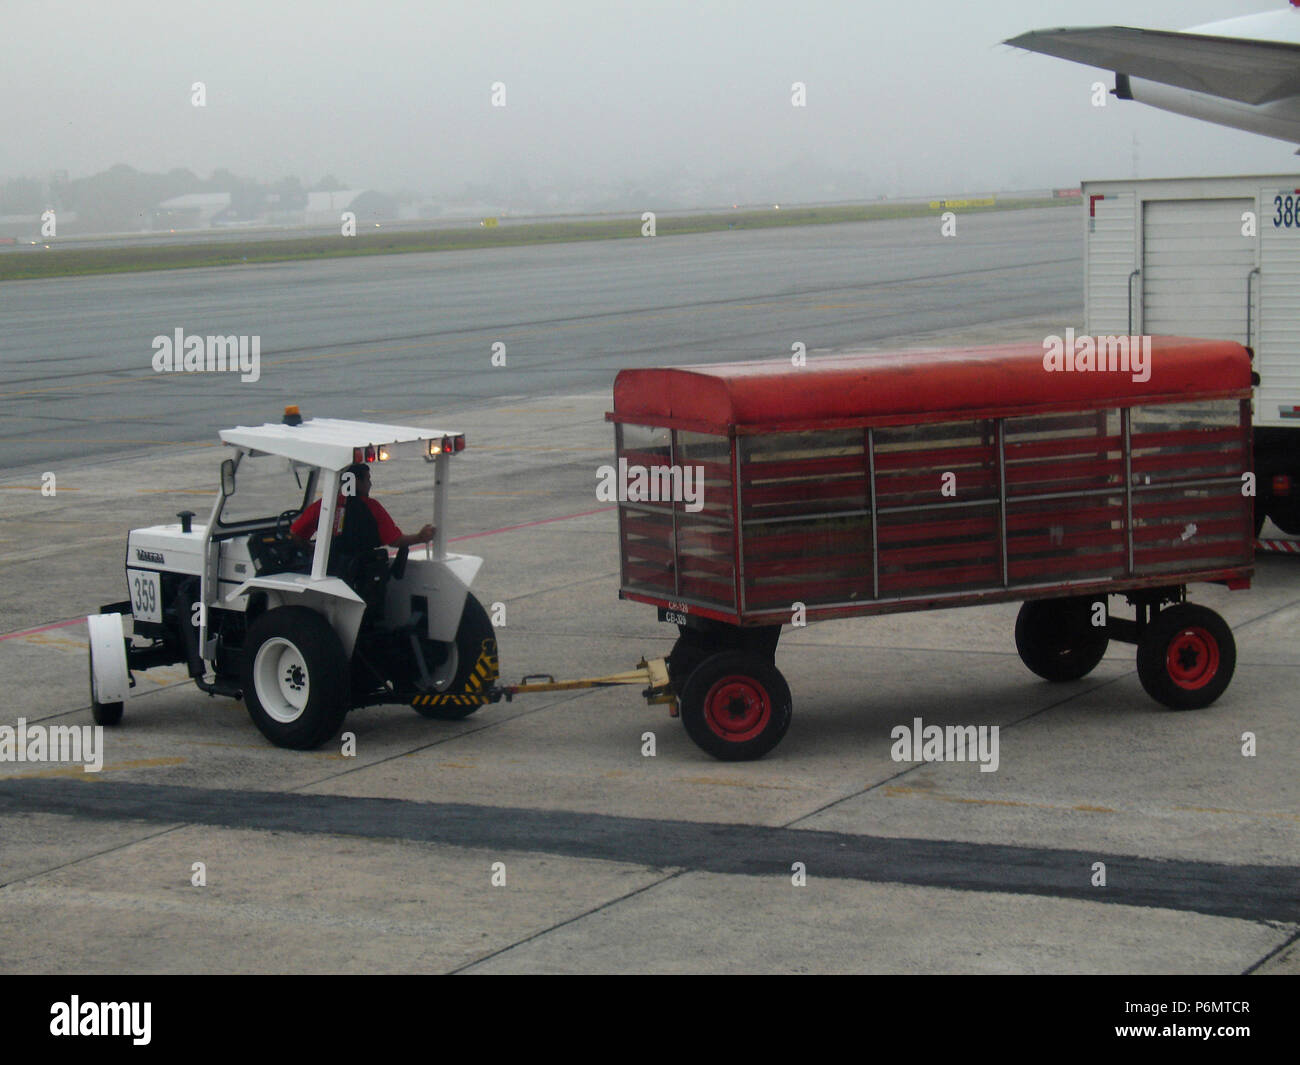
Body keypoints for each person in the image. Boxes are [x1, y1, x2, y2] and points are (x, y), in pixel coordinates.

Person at [290, 462, 434, 550]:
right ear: (356, 482)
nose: (370, 484)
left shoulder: (325, 505)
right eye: (367, 480)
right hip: (365, 571)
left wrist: (311, 549)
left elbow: (296, 534)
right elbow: (395, 541)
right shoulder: (372, 507)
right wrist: (420, 537)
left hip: (333, 570)